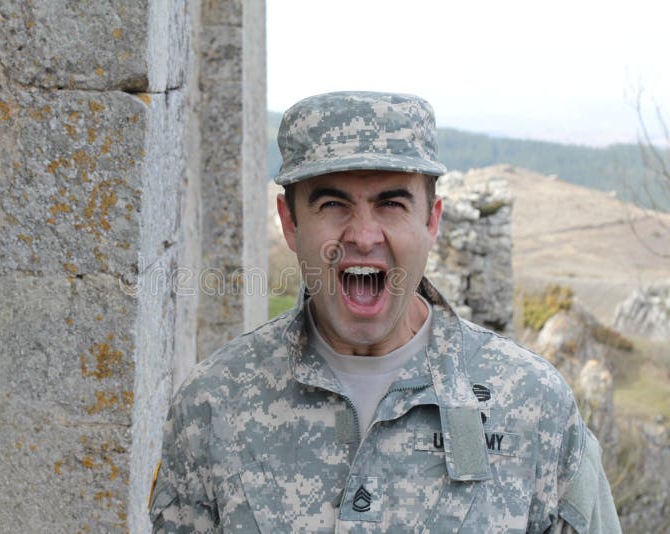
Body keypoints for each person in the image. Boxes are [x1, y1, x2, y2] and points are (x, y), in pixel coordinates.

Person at [149, 91, 621, 532]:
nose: (363, 235)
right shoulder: (211, 406)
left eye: (391, 204)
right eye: (333, 204)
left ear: (431, 220)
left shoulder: (536, 407)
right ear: (290, 223)